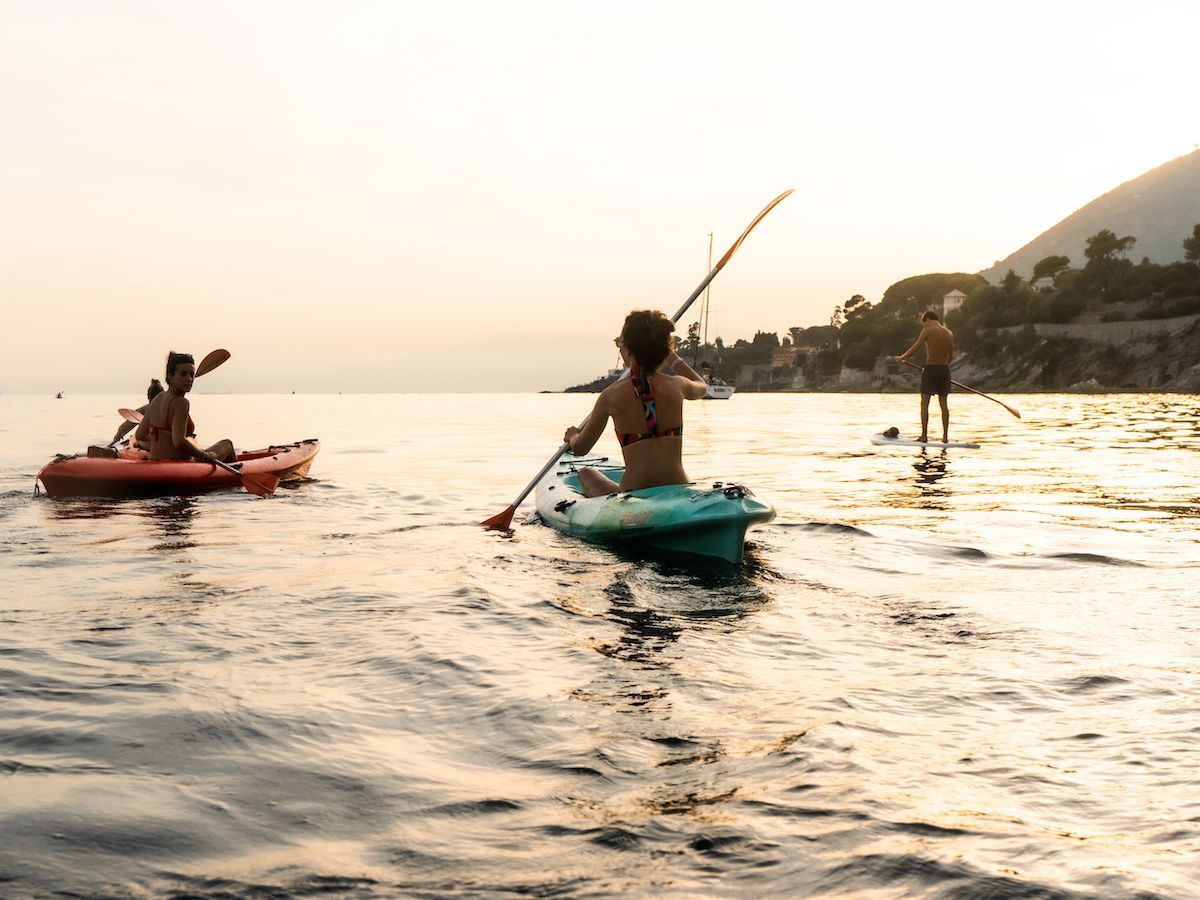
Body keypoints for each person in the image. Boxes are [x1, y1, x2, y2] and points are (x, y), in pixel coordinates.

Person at [563, 309, 707, 497]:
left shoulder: (610, 396)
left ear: (627, 349)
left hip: (634, 495)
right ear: (663, 350)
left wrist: (573, 436)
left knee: (585, 473)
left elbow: (581, 448)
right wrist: (672, 357)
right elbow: (702, 386)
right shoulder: (677, 386)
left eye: (619, 343)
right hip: (678, 487)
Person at [135, 351, 236, 463]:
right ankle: (234, 478)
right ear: (170, 376)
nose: (189, 379)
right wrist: (204, 455)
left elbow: (140, 435)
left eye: (191, 374)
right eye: (183, 374)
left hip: (156, 461)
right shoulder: (181, 402)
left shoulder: (157, 398)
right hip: (180, 464)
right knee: (227, 444)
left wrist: (163, 441)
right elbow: (179, 441)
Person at [898, 310, 955, 443]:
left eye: (924, 323)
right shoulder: (949, 333)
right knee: (944, 404)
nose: (924, 326)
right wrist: (941, 367)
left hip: (931, 369)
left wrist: (902, 357)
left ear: (927, 319)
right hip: (944, 370)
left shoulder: (927, 331)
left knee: (924, 403)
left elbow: (915, 348)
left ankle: (924, 436)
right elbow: (951, 356)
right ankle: (945, 437)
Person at [111, 378, 164, 446]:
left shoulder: (144, 409)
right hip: (166, 443)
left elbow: (127, 425)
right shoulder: (170, 409)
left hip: (148, 443)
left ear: (148, 396)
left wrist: (119, 434)